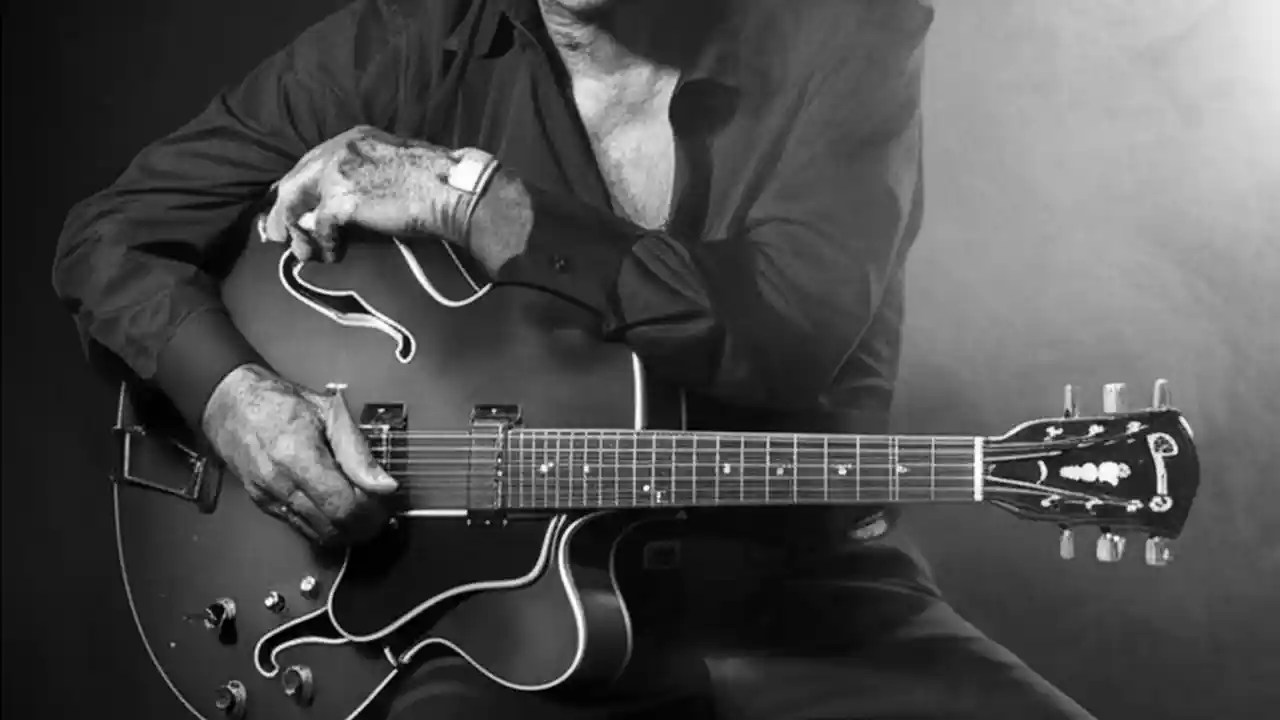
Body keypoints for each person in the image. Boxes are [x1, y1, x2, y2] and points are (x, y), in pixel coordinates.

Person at [53, 0, 1095, 717]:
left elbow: (785, 333)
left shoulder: (844, 30)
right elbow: (109, 239)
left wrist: (470, 199)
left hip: (798, 599)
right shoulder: (409, 39)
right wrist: (235, 399)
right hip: (477, 626)